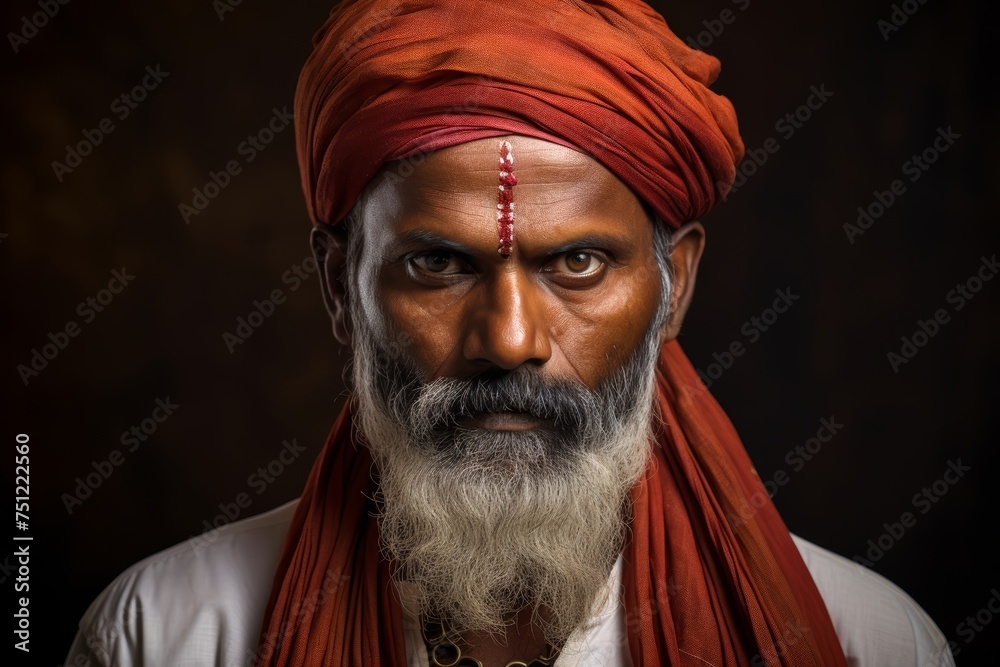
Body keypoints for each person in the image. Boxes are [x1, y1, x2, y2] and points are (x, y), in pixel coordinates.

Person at [65, 0, 955, 665]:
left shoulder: (867, 643)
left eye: (576, 265)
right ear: (340, 283)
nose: (510, 340)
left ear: (673, 284)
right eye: (439, 265)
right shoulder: (164, 635)